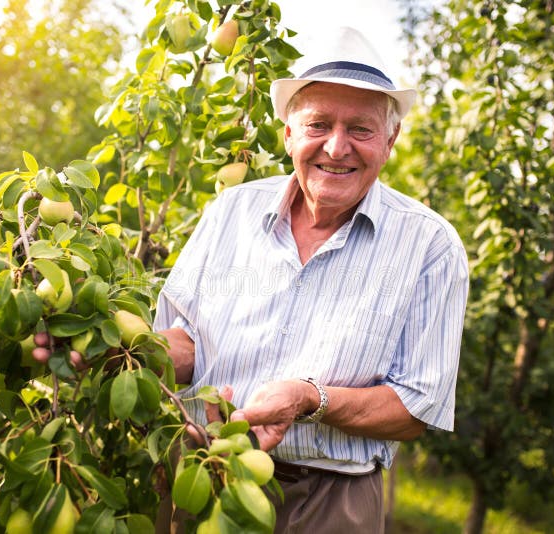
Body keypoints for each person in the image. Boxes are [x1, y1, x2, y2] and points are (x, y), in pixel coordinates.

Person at [154, 26, 468, 533]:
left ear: (390, 141)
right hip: (202, 470)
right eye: (318, 124)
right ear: (289, 135)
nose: (337, 147)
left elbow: (416, 407)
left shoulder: (429, 246)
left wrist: (309, 398)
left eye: (361, 129)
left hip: (330, 502)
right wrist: (115, 349)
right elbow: (187, 339)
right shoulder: (233, 210)